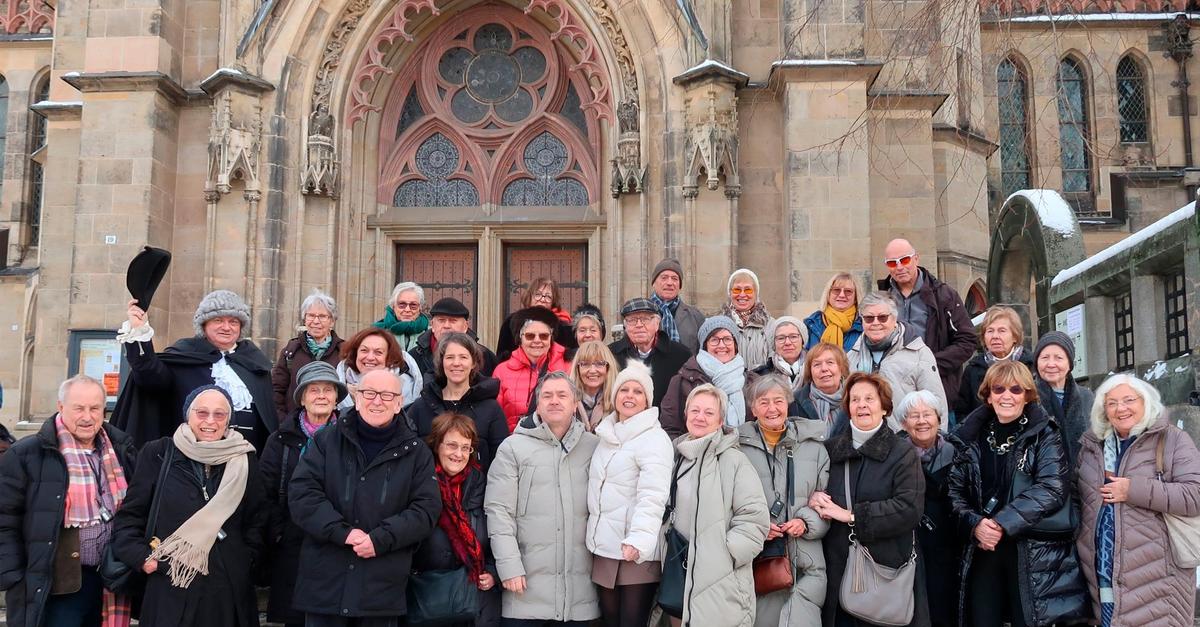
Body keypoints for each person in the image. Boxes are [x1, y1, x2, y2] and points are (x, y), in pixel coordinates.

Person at [288, 369, 443, 626]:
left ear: (398, 403)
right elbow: (303, 495)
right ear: (357, 399)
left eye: (386, 395)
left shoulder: (417, 453)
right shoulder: (326, 441)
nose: (377, 401)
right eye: (369, 393)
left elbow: (426, 510)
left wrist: (380, 539)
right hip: (325, 585)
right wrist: (343, 533)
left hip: (380, 591)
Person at [111, 385, 268, 626]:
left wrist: (245, 559)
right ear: (187, 415)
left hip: (228, 592)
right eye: (202, 413)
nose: (210, 421)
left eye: (219, 414)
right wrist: (145, 560)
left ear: (229, 420)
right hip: (170, 586)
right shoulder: (158, 453)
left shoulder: (244, 458)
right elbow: (130, 518)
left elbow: (258, 518)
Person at [947, 360, 1087, 627]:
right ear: (988, 395)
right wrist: (975, 525)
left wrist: (1002, 523)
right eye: (999, 389)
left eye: (1015, 389)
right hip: (983, 548)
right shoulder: (970, 436)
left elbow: (1052, 487)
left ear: (1028, 395)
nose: (1007, 396)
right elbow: (955, 491)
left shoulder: (1045, 433)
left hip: (1033, 551)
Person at [0, 375, 137, 627]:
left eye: (95, 408)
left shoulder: (121, 449)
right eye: (79, 408)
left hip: (110, 581)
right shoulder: (26, 453)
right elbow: (4, 518)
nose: (87, 416)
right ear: (61, 407)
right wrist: (13, 576)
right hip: (55, 583)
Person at [1076, 374, 1200, 627]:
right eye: (1111, 403)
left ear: (1146, 403)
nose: (1120, 408)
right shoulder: (1092, 448)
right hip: (1103, 574)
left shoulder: (1172, 440)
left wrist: (1132, 490)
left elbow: (1194, 495)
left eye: (1129, 400)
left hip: (1158, 577)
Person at [808, 372, 929, 627]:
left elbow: (909, 509)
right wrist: (814, 495)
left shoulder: (902, 452)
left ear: (884, 407)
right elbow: (812, 491)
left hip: (884, 573)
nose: (861, 405)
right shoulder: (830, 451)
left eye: (869, 399)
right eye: (855, 400)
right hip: (838, 571)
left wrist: (851, 516)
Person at [485, 372, 601, 625]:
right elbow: (498, 511)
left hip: (580, 600)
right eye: (547, 395)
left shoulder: (594, 447)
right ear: (538, 404)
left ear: (575, 403)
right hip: (525, 596)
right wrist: (509, 567)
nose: (554, 401)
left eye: (562, 395)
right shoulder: (513, 448)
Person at [649, 384, 769, 626]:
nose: (700, 417)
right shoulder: (675, 456)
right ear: (685, 415)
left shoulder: (734, 461)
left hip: (720, 581)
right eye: (694, 411)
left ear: (720, 420)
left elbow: (755, 519)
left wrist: (725, 555)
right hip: (679, 573)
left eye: (708, 412)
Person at [114, 290, 278, 451]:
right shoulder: (184, 356)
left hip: (246, 458)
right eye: (218, 320)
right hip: (191, 459)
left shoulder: (255, 362)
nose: (226, 327)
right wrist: (139, 330)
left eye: (234, 322)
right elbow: (149, 375)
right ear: (204, 325)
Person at [737, 375, 830, 627]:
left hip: (806, 564)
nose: (772, 408)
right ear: (753, 408)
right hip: (757, 562)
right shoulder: (736, 449)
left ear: (788, 403)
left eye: (778, 400)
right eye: (763, 402)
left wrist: (805, 521)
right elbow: (726, 507)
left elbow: (826, 508)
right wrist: (756, 527)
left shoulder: (815, 449)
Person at [260, 361, 348, 627]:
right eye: (313, 390)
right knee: (296, 617)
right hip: (293, 543)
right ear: (302, 398)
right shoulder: (280, 439)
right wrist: (278, 532)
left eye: (328, 390)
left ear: (336, 399)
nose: (321, 395)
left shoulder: (350, 436)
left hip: (339, 542)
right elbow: (265, 490)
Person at [586, 361, 672, 627]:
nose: (630, 396)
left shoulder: (654, 439)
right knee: (610, 622)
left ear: (647, 400)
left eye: (638, 391)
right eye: (624, 390)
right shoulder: (606, 435)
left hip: (635, 551)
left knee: (632, 623)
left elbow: (653, 496)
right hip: (604, 548)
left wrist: (639, 540)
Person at [414, 412, 501, 627]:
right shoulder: (419, 482)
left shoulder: (481, 483)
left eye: (465, 447)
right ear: (437, 446)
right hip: (428, 594)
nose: (459, 454)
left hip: (474, 596)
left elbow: (498, 531)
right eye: (452, 445)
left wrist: (492, 571)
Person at [877, 239, 976, 411]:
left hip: (935, 388)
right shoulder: (882, 298)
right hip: (892, 390)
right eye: (892, 263)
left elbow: (967, 340)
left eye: (905, 260)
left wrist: (931, 365)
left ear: (916, 258)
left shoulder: (944, 296)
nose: (899, 267)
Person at [895, 390, 961, 627]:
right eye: (914, 416)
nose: (922, 421)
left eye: (927, 414)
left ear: (939, 418)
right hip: (910, 546)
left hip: (949, 546)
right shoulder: (896, 455)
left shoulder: (958, 452)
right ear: (904, 423)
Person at [847, 292, 946, 432]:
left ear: (894, 319)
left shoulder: (918, 353)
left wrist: (935, 447)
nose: (875, 323)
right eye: (869, 318)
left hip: (907, 442)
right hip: (864, 440)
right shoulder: (852, 356)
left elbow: (936, 404)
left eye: (882, 318)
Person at [407, 332, 508, 469]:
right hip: (429, 487)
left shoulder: (491, 409)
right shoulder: (421, 406)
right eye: (450, 357)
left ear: (473, 363)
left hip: (477, 488)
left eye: (463, 357)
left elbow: (501, 460)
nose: (456, 363)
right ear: (441, 362)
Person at [660, 316, 751, 439]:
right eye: (714, 340)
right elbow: (670, 428)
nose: (722, 345)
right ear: (705, 345)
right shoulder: (681, 381)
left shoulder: (751, 381)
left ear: (735, 345)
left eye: (727, 339)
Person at [272, 288, 345, 427]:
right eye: (311, 315)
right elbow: (277, 390)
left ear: (332, 321)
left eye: (322, 316)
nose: (316, 321)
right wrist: (284, 422)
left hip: (335, 427)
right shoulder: (291, 351)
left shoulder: (343, 352)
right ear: (305, 319)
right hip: (294, 427)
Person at [494, 307, 570, 432]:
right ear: (520, 338)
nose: (537, 340)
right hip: (516, 443)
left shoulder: (568, 366)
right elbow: (496, 417)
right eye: (530, 336)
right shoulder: (502, 371)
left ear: (551, 338)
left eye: (544, 336)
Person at [607, 298, 691, 408]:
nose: (639, 325)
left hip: (664, 423)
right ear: (625, 327)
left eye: (645, 319)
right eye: (632, 320)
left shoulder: (680, 355)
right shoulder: (611, 354)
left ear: (657, 324)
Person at [955, 306, 1034, 418]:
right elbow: (963, 412)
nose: (995, 336)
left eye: (1002, 331)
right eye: (990, 331)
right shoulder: (973, 369)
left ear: (1015, 336)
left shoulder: (1032, 366)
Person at [1033, 331, 1092, 464]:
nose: (1051, 364)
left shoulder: (1086, 396)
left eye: (1058, 358)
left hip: (1083, 475)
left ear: (1069, 364)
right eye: (1045, 358)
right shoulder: (1028, 396)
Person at [409, 297, 499, 380]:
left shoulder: (484, 356)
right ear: (432, 325)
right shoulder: (415, 356)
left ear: (465, 326)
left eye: (453, 321)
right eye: (441, 320)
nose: (446, 326)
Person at [335, 326, 422, 411]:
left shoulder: (408, 389)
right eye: (364, 350)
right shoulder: (336, 387)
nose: (370, 357)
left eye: (378, 352)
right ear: (355, 354)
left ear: (389, 357)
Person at [495, 278, 576, 361]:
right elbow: (502, 355)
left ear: (553, 301)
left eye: (548, 296)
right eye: (538, 294)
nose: (542, 299)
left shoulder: (562, 326)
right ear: (529, 296)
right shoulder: (511, 321)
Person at [648, 258, 705, 354]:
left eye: (674, 278)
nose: (670, 283)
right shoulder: (640, 313)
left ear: (679, 286)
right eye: (664, 278)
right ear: (654, 283)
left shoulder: (695, 316)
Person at [720, 268, 774, 368]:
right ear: (730, 293)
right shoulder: (719, 324)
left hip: (762, 382)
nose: (742, 294)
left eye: (748, 290)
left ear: (755, 293)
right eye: (737, 289)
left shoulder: (771, 325)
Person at [794, 342, 851, 436]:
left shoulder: (854, 401)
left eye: (830, 362)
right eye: (817, 364)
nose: (824, 369)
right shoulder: (794, 403)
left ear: (842, 369)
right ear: (810, 371)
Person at [804, 272, 864, 352]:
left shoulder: (864, 324)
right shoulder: (811, 324)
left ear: (856, 297)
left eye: (848, 291)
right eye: (836, 290)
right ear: (828, 294)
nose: (842, 295)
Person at [569, 340, 619, 431]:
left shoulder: (618, 401)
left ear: (608, 368)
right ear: (577, 369)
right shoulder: (566, 401)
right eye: (585, 364)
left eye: (599, 364)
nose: (592, 370)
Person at [752, 316, 809, 387]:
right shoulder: (759, 376)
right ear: (774, 344)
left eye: (793, 337)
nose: (787, 342)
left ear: (802, 340)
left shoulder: (815, 371)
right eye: (781, 338)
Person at [374, 281, 430, 352]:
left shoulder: (430, 334)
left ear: (420, 308)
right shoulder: (377, 331)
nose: (407, 310)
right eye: (402, 305)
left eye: (413, 305)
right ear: (393, 306)